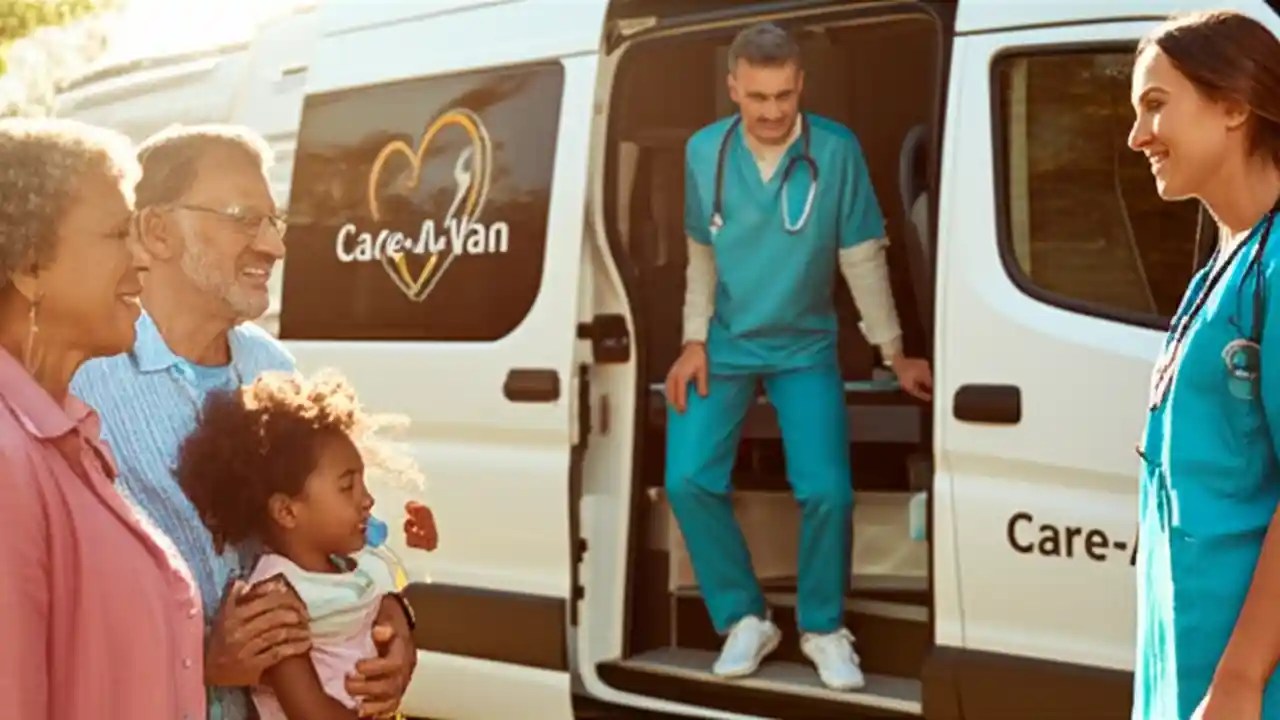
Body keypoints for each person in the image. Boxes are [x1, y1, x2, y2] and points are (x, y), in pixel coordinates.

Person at [70, 123, 418, 720]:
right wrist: (198, 660)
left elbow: (328, 530)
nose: (274, 247)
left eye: (273, 222)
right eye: (242, 219)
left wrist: (391, 619)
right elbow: (49, 610)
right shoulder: (82, 379)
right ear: (156, 231)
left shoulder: (271, 366)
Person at [664, 22, 933, 692]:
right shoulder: (705, 153)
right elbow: (702, 253)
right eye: (757, 96)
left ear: (801, 85)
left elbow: (862, 257)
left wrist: (894, 352)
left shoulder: (835, 151)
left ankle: (821, 627)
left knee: (827, 492)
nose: (773, 111)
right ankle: (745, 618)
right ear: (733, 88)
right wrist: (693, 340)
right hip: (725, 343)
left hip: (806, 345)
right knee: (688, 479)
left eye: (784, 94)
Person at [0, 118, 205, 718]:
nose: (144, 260)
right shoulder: (9, 460)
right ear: (30, 265)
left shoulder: (63, 436)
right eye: (119, 233)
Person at [1128, 10, 1280, 720]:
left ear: (1234, 104)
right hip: (1186, 660)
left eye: (1155, 106)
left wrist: (1244, 679)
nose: (1137, 137)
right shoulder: (1218, 273)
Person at [177, 369, 421, 720]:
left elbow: (387, 604)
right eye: (346, 486)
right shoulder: (275, 599)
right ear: (287, 511)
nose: (367, 499)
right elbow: (310, 712)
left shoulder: (348, 567)